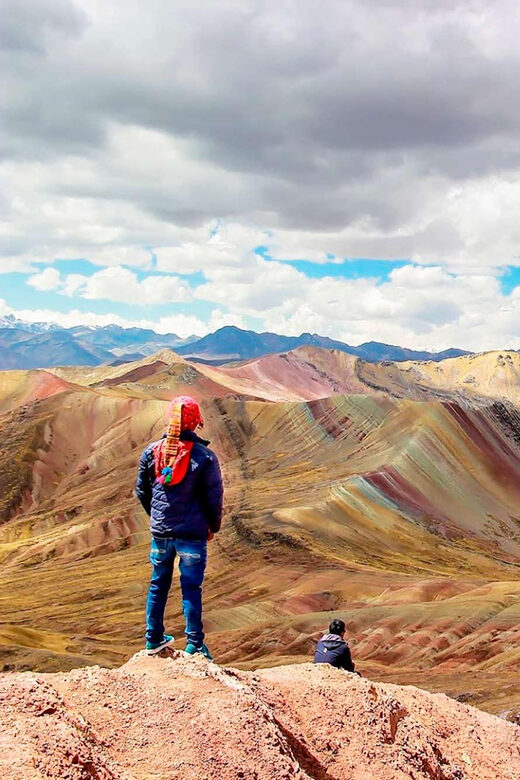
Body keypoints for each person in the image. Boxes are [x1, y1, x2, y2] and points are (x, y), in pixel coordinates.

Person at [136, 395, 223, 659]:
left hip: (161, 535)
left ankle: (153, 639)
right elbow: (213, 497)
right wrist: (212, 527)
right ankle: (195, 643)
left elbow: (142, 491)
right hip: (192, 536)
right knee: (191, 588)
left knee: (157, 585)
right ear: (196, 422)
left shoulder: (151, 452)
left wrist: (158, 517)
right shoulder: (205, 457)